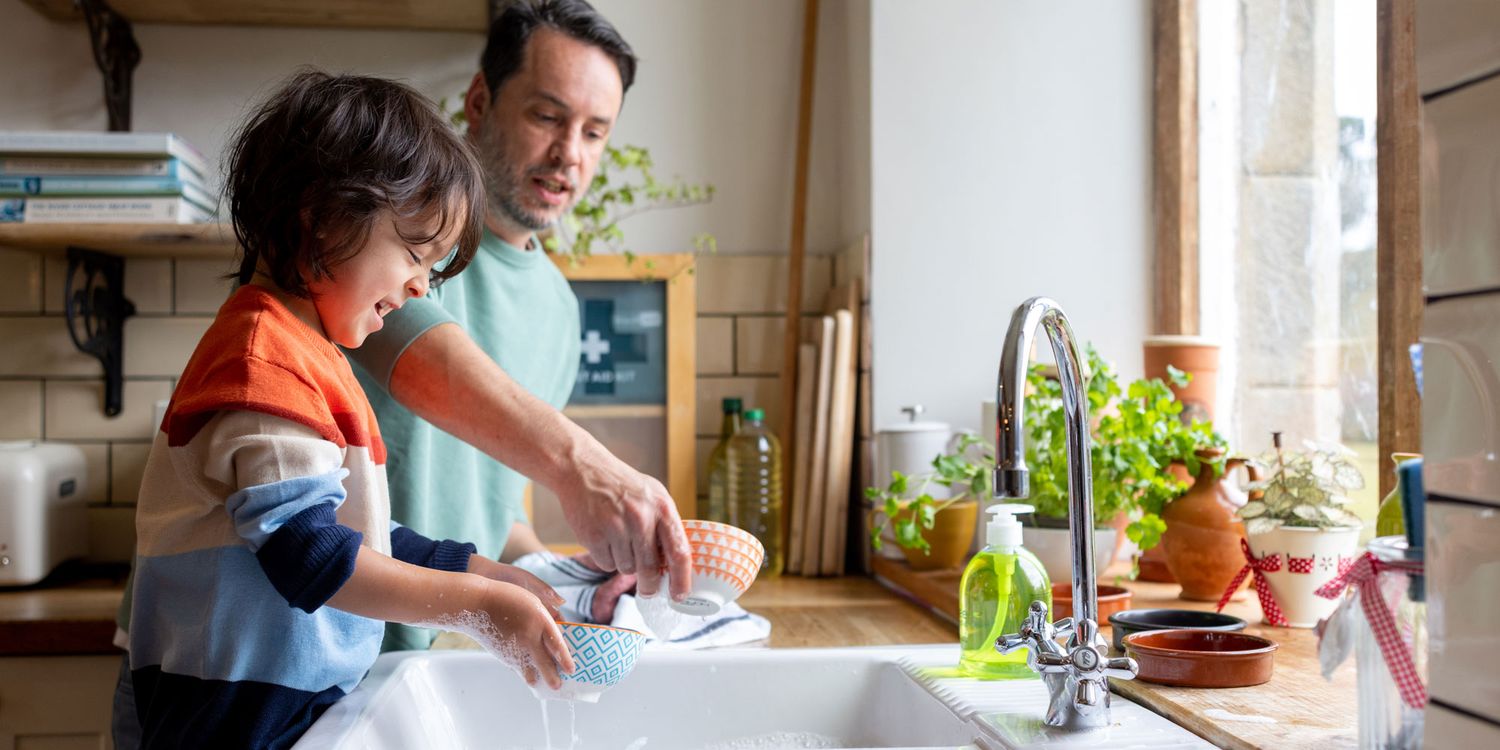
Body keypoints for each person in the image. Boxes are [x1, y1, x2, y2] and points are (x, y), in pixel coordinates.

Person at [125, 71, 574, 749]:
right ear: (323, 219)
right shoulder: (264, 360)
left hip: (271, 715)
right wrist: (481, 607)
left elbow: (352, 528)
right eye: (417, 250)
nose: (423, 283)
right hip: (229, 727)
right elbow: (313, 557)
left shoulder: (309, 354)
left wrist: (476, 570)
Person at [347, 0, 686, 650]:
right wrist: (584, 467)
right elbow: (419, 360)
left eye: (594, 132)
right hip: (258, 664)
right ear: (479, 101)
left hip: (400, 666)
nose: (568, 155)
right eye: (547, 116)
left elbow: (494, 511)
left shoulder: (559, 310)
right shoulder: (387, 222)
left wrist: (566, 580)